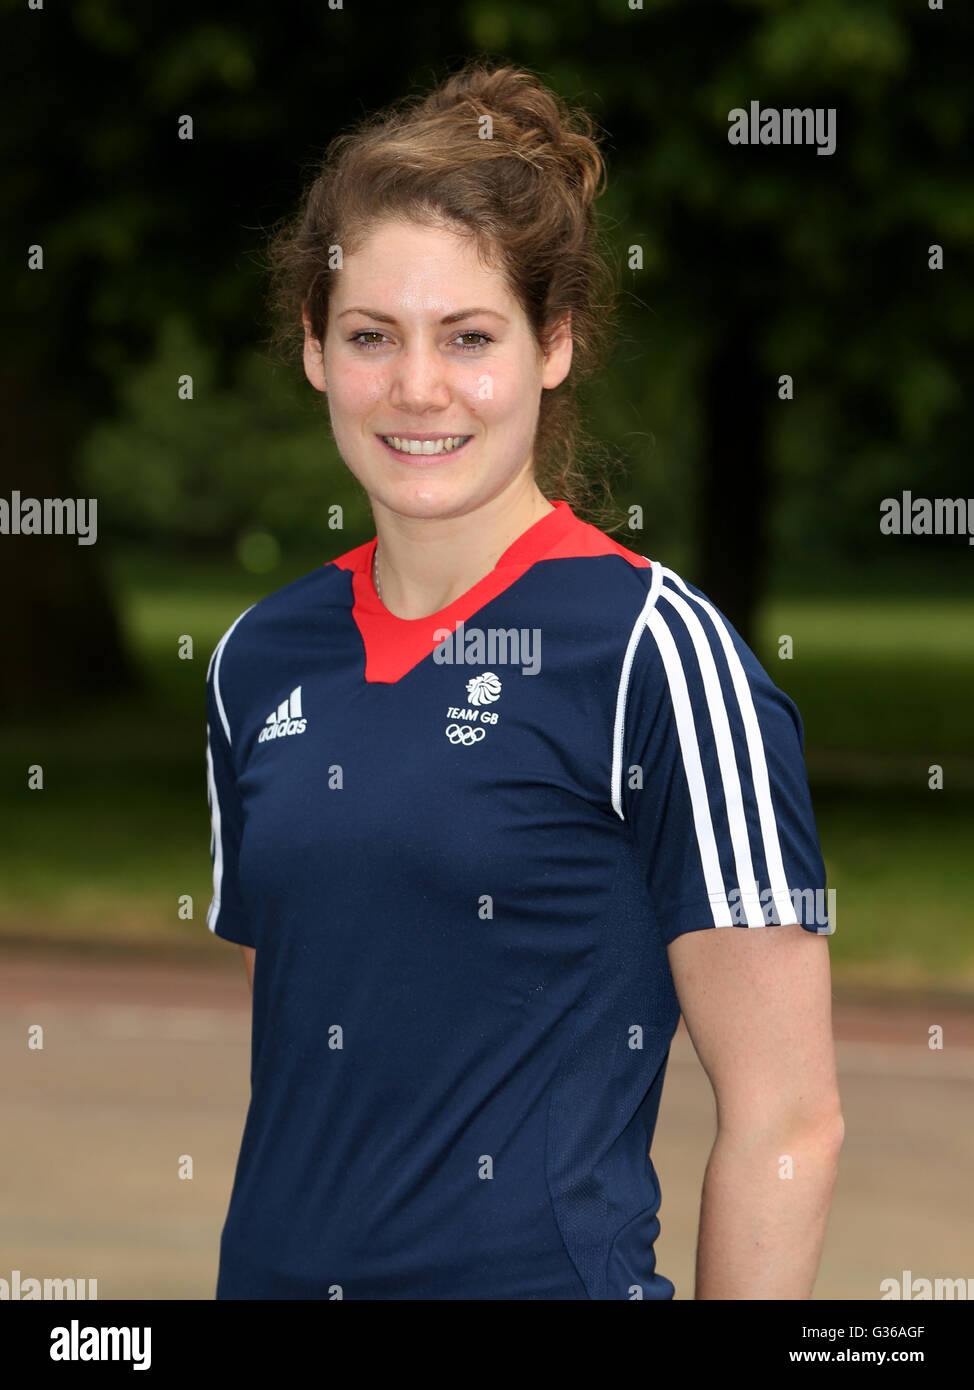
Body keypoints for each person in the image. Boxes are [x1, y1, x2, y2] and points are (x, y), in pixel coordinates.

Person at [204, 59, 843, 1301]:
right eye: (370, 336)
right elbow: (299, 1064)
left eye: (469, 337)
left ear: (553, 346)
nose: (418, 387)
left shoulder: (653, 650)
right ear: (313, 351)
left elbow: (786, 1119)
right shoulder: (256, 660)